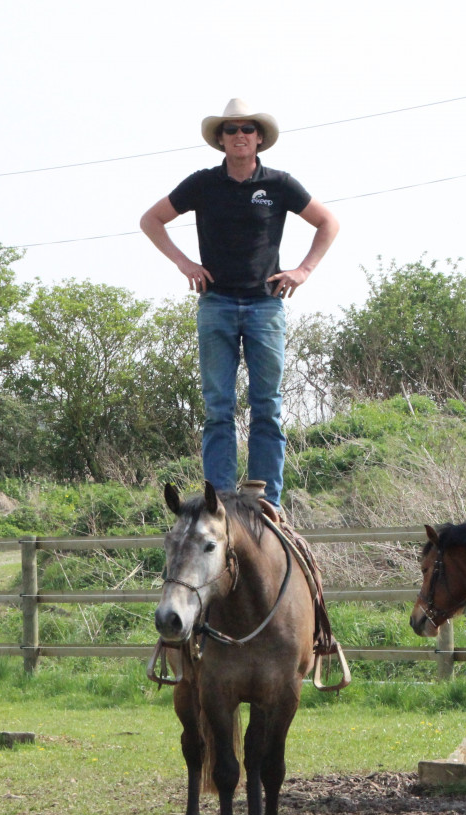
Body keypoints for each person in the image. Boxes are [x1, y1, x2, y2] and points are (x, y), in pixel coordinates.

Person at [140, 98, 339, 510]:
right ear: (220, 139)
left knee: (267, 406)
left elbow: (328, 222)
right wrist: (184, 263)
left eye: (247, 128)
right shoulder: (203, 183)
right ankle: (222, 500)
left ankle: (269, 502)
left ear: (260, 138)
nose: (239, 135)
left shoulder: (279, 185)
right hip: (215, 304)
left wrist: (302, 271)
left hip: (266, 306)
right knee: (218, 408)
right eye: (231, 130)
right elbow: (151, 219)